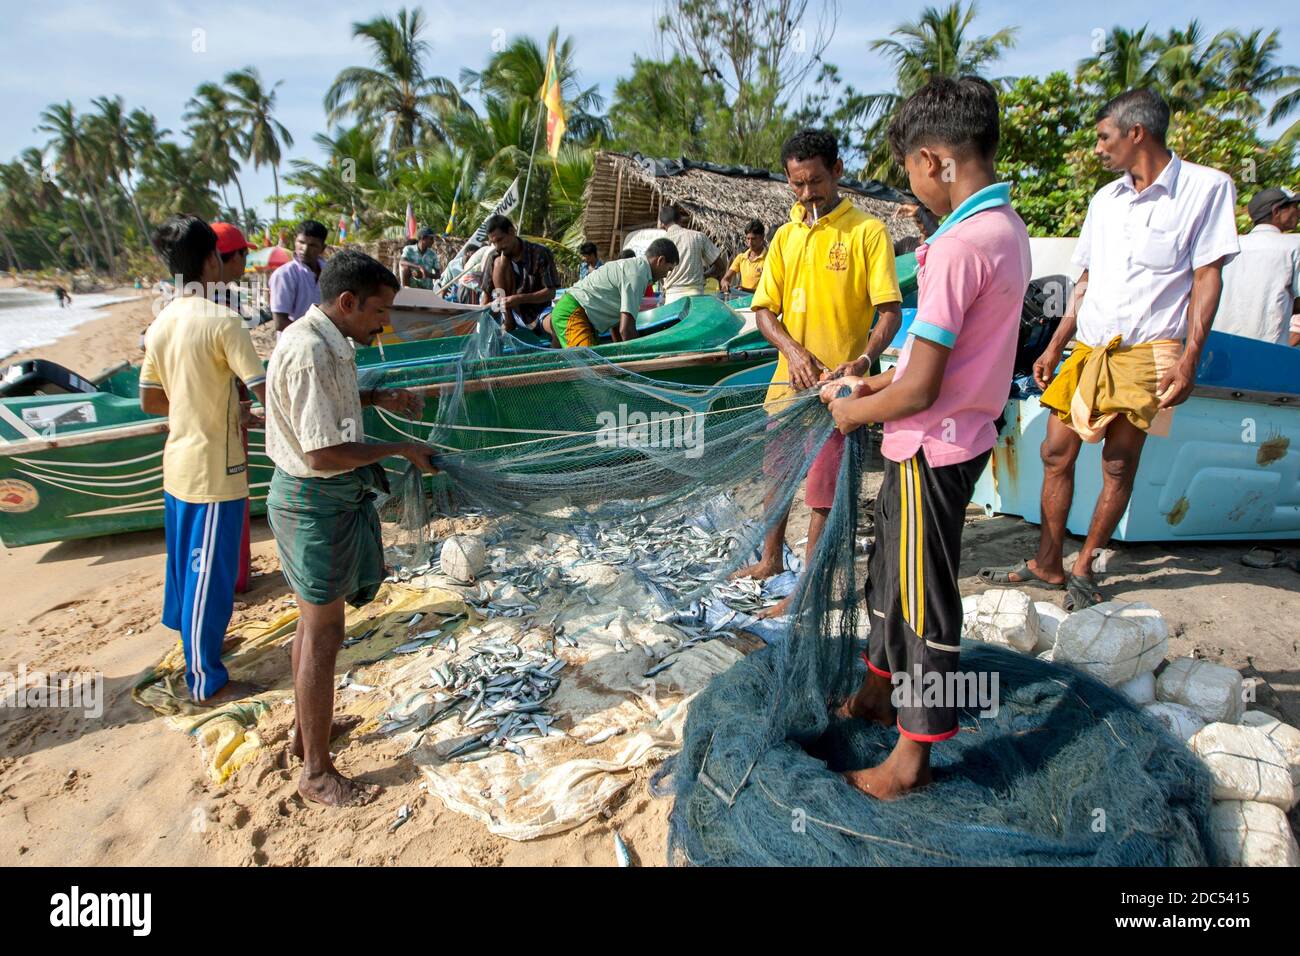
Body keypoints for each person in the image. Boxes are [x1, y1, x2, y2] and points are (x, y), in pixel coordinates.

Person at [823, 75, 1032, 799]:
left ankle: (911, 761)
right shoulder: (1007, 230)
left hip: (929, 449)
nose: (914, 183)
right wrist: (876, 383)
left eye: (912, 167)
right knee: (889, 574)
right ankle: (878, 694)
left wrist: (854, 412)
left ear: (937, 160)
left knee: (921, 598)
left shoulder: (955, 246)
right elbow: (935, 358)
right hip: (954, 437)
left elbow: (926, 387)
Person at [979, 88, 1239, 610]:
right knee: (1055, 452)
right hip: (1088, 348)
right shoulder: (1105, 200)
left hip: (1150, 354)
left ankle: (1085, 564)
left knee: (1119, 466)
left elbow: (1207, 277)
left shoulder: (1207, 189)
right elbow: (1087, 280)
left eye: (1103, 137)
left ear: (1136, 132)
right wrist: (1056, 343)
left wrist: (1190, 357)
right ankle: (1048, 563)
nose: (1098, 148)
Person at [262, 249, 437, 807]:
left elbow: (323, 405)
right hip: (314, 503)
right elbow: (322, 452)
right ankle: (316, 775)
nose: (384, 322)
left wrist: (378, 396)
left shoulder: (326, 339)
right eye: (379, 311)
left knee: (311, 628)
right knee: (324, 635)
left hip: (321, 502)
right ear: (347, 302)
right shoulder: (312, 350)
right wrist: (402, 449)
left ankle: (301, 733)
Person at [733, 128, 903, 619]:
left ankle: (806, 590)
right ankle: (768, 560)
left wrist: (865, 361)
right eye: (798, 185)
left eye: (816, 182)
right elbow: (765, 311)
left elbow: (889, 311)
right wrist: (793, 351)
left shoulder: (867, 232)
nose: (807, 194)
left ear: (837, 172)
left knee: (823, 493)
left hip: (839, 394)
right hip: (787, 387)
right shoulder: (784, 237)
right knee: (776, 477)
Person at [138, 215, 268, 704]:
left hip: (178, 465)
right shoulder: (222, 320)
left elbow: (151, 400)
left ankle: (196, 648)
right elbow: (262, 389)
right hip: (215, 470)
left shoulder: (163, 322)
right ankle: (206, 680)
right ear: (212, 258)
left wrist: (212, 406)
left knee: (185, 570)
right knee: (208, 580)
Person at [545, 239, 679, 347]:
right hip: (573, 312)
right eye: (668, 269)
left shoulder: (637, 269)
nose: (666, 276)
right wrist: (641, 357)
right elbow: (626, 329)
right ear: (660, 261)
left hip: (578, 313)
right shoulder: (637, 274)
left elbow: (617, 324)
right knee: (589, 368)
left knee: (561, 364)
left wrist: (619, 352)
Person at [1214, 187, 1300, 345]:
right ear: (1276, 211)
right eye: (1294, 207)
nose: (1298, 212)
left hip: (1221, 344)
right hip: (1268, 347)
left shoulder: (1230, 244)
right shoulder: (1294, 244)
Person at [478, 215, 559, 334]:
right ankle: (508, 320)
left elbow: (550, 293)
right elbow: (486, 296)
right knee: (499, 262)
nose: (498, 246)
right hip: (507, 314)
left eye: (500, 240)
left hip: (537, 312)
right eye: (494, 243)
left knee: (559, 327)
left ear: (512, 232)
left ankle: (555, 352)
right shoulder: (494, 256)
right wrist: (484, 318)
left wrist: (519, 299)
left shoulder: (540, 253)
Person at [270, 219, 328, 331]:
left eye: (313, 245)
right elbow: (280, 323)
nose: (305, 249)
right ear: (295, 241)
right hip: (294, 344)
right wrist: (315, 333)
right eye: (301, 242)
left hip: (325, 344)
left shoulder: (330, 272)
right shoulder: (284, 275)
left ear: (322, 248)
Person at [658, 206, 724, 303]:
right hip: (696, 296)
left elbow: (656, 272)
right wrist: (705, 275)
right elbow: (721, 266)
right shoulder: (698, 236)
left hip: (672, 298)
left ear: (663, 224)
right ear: (680, 219)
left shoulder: (661, 243)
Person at [721, 220, 767, 295]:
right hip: (744, 301)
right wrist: (725, 283)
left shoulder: (769, 259)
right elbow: (725, 279)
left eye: (754, 239)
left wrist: (745, 290)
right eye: (748, 239)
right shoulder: (741, 258)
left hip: (761, 302)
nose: (750, 243)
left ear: (762, 237)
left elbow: (768, 289)